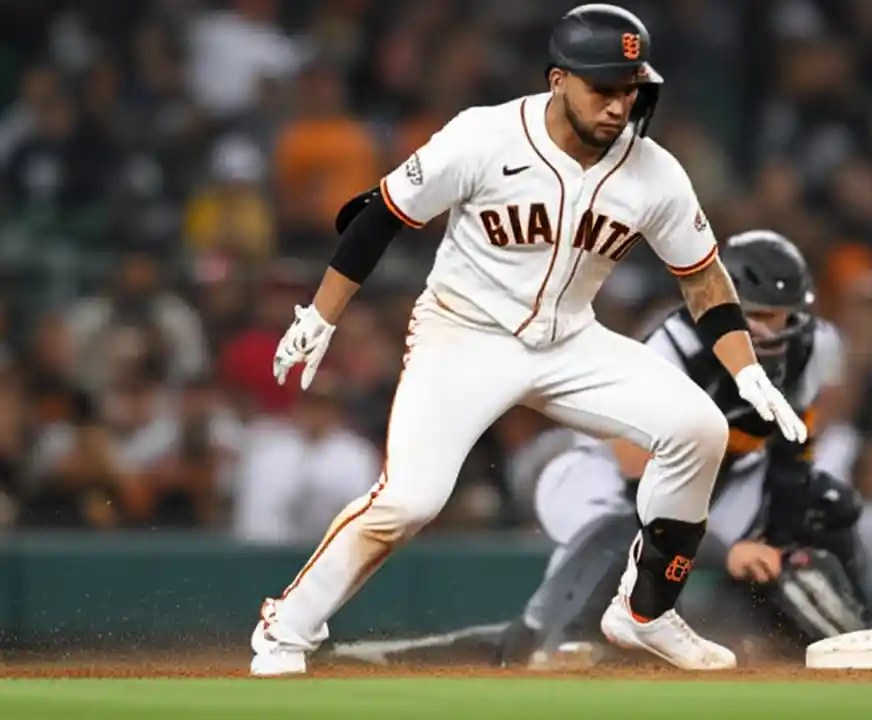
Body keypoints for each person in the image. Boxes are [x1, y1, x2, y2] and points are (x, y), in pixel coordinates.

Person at [251, 4, 804, 676]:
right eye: (602, 87)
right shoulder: (484, 137)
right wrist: (320, 316)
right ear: (557, 80)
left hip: (571, 341)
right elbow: (381, 216)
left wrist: (745, 370)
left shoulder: (653, 171)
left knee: (699, 429)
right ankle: (288, 625)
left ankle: (646, 611)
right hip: (464, 335)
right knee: (411, 499)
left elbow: (704, 279)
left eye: (630, 89)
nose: (617, 104)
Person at [332, 231, 872, 668]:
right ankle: (538, 643)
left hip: (723, 479)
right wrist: (728, 550)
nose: (770, 331)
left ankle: (821, 640)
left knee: (825, 504)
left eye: (781, 317)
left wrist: (775, 545)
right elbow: (643, 484)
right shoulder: (669, 349)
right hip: (606, 477)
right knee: (620, 537)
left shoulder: (818, 346)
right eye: (756, 314)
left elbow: (791, 459)